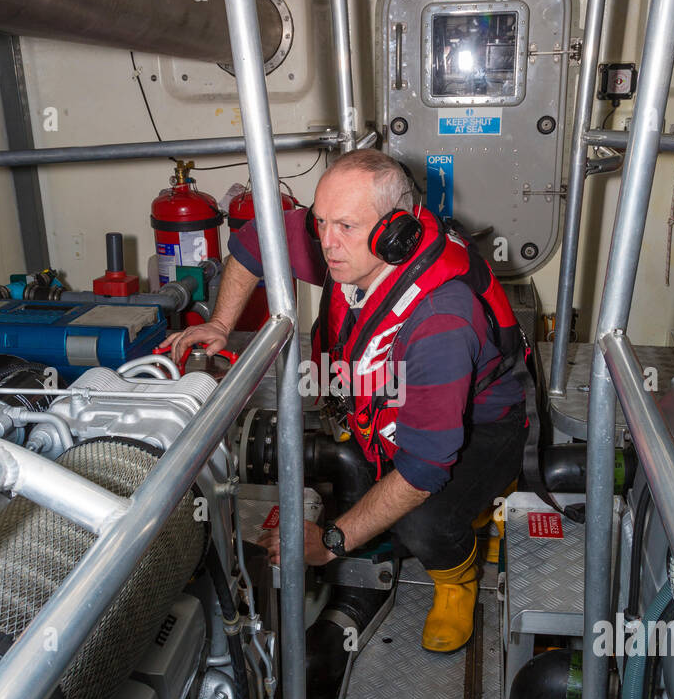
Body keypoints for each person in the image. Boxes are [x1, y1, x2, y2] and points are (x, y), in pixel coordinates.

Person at [160, 149, 527, 653]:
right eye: (320, 220)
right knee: (375, 485)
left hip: (483, 424)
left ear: (394, 232)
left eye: (346, 227)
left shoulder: (442, 321)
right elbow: (253, 240)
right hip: (390, 401)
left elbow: (422, 473)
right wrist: (222, 323)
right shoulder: (349, 244)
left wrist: (328, 543)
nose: (327, 243)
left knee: (423, 518)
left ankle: (457, 578)